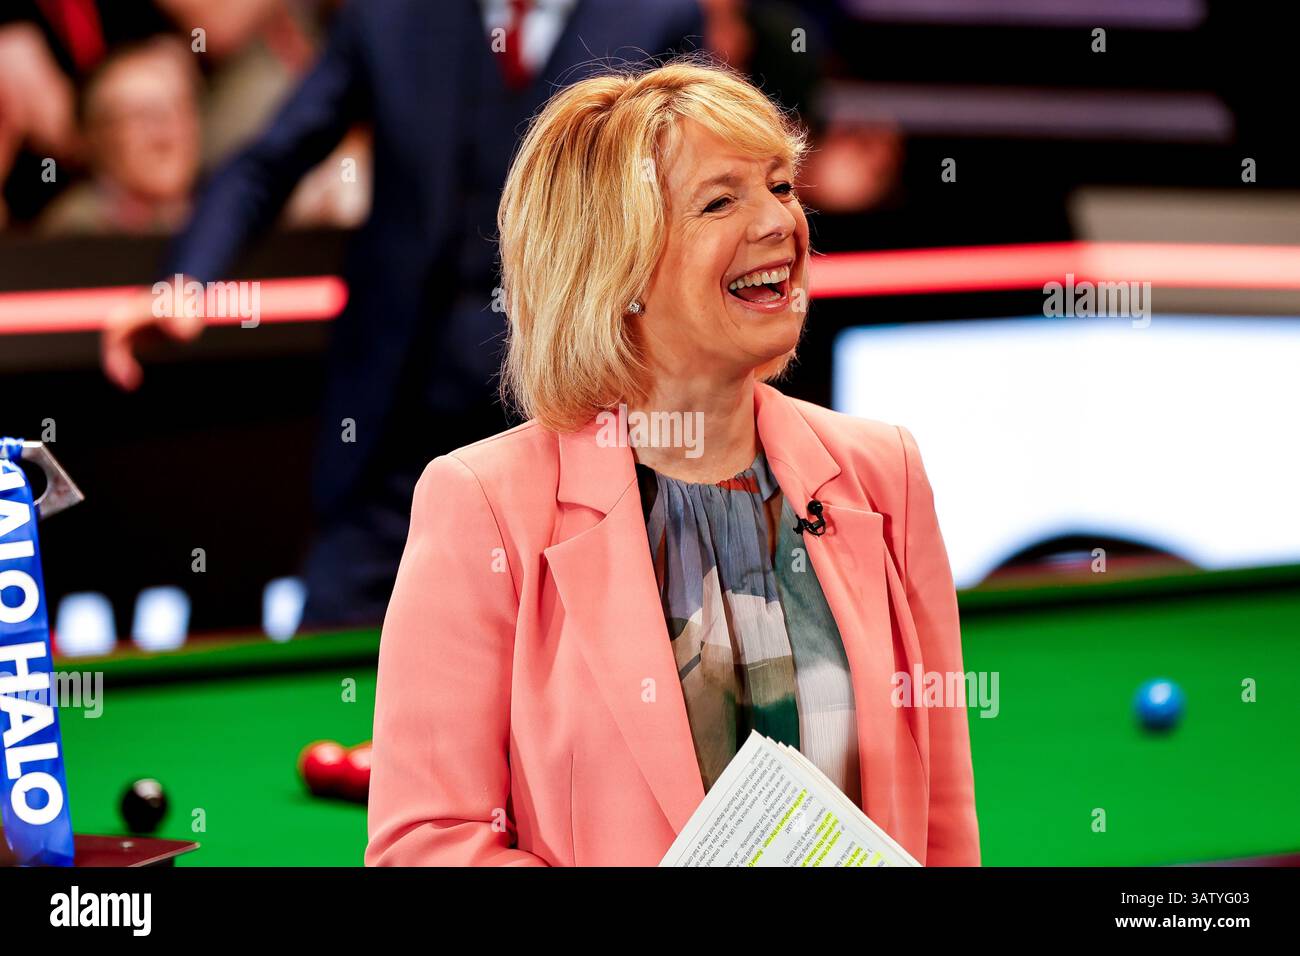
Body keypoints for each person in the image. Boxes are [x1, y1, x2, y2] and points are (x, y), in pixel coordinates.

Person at [366, 61, 980, 867]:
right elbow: (428, 847)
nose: (778, 225)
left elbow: (941, 823)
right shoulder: (481, 503)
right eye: (721, 201)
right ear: (616, 270)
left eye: (782, 186)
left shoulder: (883, 472)